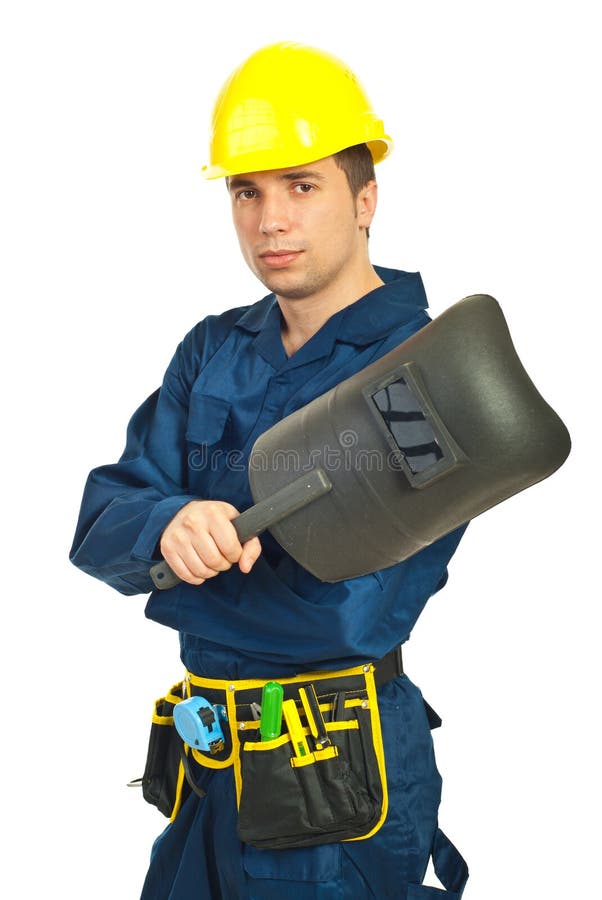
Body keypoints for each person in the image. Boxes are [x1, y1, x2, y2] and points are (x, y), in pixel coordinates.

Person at [70, 41, 470, 898]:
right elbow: (101, 521)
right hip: (207, 773)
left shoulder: (423, 375)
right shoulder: (214, 348)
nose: (269, 221)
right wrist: (167, 524)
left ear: (365, 199)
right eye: (246, 191)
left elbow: (349, 615)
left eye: (301, 185)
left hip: (336, 788)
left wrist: (166, 579)